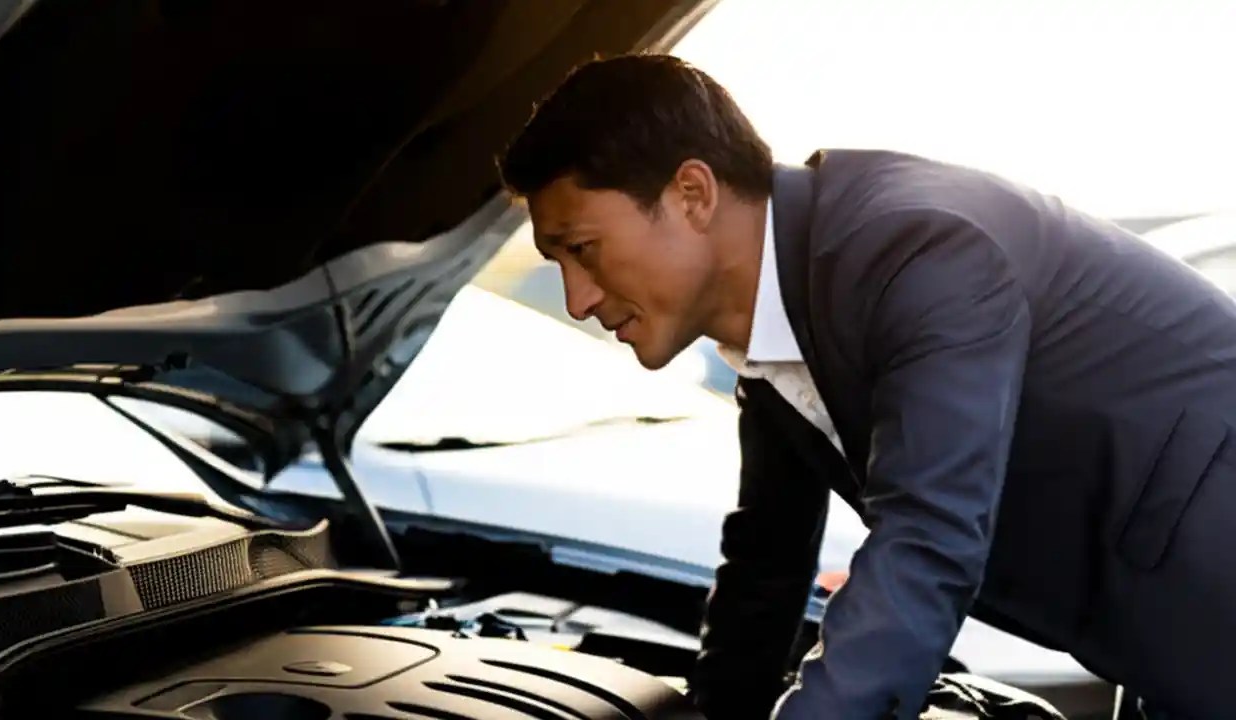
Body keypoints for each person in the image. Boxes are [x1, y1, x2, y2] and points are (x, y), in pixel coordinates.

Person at [495, 53, 1236, 720]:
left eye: (583, 250)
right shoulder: (780, 328)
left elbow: (928, 536)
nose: (578, 300)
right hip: (1168, 632)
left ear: (692, 193)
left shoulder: (915, 249)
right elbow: (768, 560)